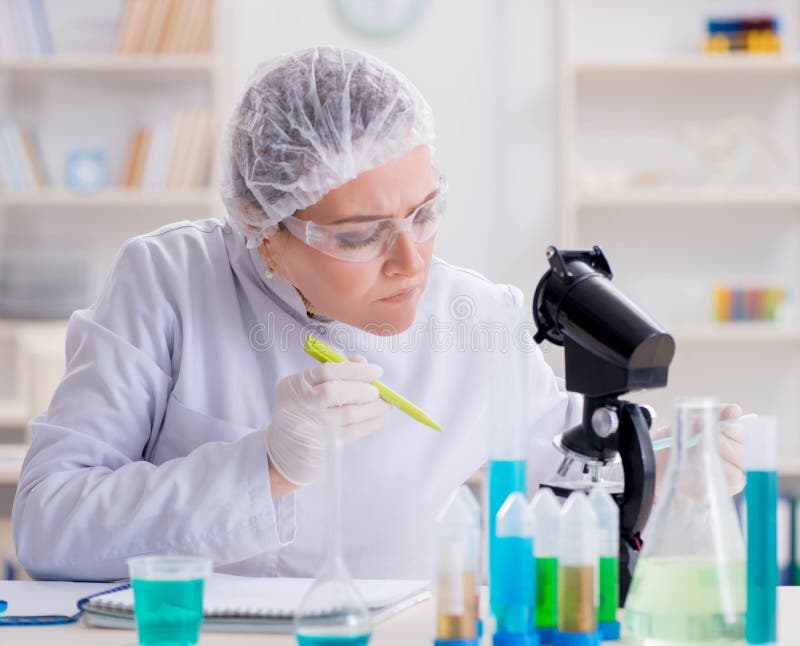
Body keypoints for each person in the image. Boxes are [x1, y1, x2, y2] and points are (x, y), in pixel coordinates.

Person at [11, 47, 744, 582]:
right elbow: (47, 524)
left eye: (424, 214)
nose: (410, 261)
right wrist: (262, 467)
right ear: (265, 233)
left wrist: (679, 466)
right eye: (359, 235)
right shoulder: (169, 281)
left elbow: (573, 466)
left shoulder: (476, 318)